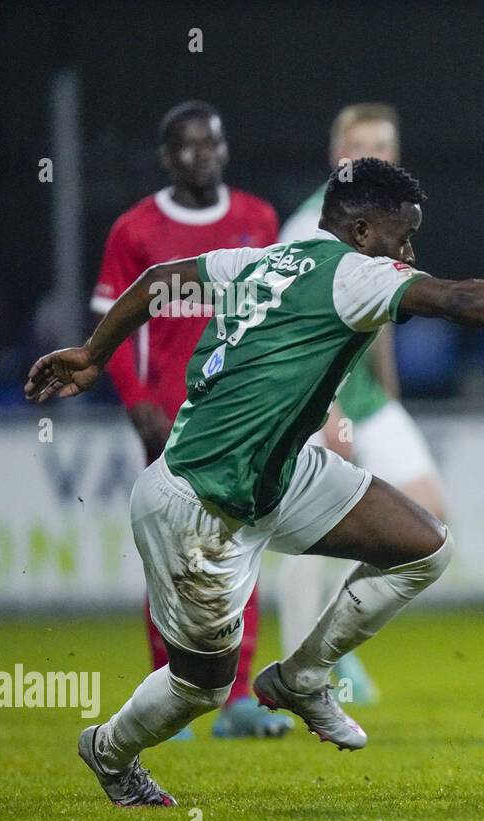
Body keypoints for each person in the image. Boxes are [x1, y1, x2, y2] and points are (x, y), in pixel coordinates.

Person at [27, 158, 484, 807]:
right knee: (203, 687)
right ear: (363, 231)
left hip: (275, 479)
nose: (409, 252)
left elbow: (159, 280)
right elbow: (459, 297)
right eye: (403, 236)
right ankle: (109, 751)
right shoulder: (354, 273)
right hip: (198, 503)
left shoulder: (263, 260)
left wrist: (93, 352)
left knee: (423, 545)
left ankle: (304, 677)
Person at [90, 100, 288, 739]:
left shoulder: (258, 220)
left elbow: (278, 316)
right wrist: (136, 399)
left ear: (225, 149)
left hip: (241, 419)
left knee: (241, 547)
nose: (201, 155)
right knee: (172, 559)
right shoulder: (135, 230)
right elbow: (111, 328)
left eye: (211, 144)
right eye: (187, 146)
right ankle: (168, 696)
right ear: (165, 156)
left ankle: (235, 700)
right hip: (168, 421)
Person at [276, 103, 443, 705]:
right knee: (309, 532)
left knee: (429, 516)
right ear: (336, 156)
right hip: (316, 400)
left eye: (385, 147)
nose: (375, 156)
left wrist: (389, 388)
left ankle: (330, 650)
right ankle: (305, 667)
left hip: (369, 396)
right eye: (361, 146)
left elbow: (385, 309)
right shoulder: (306, 228)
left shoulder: (393, 218)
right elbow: (295, 334)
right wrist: (328, 413)